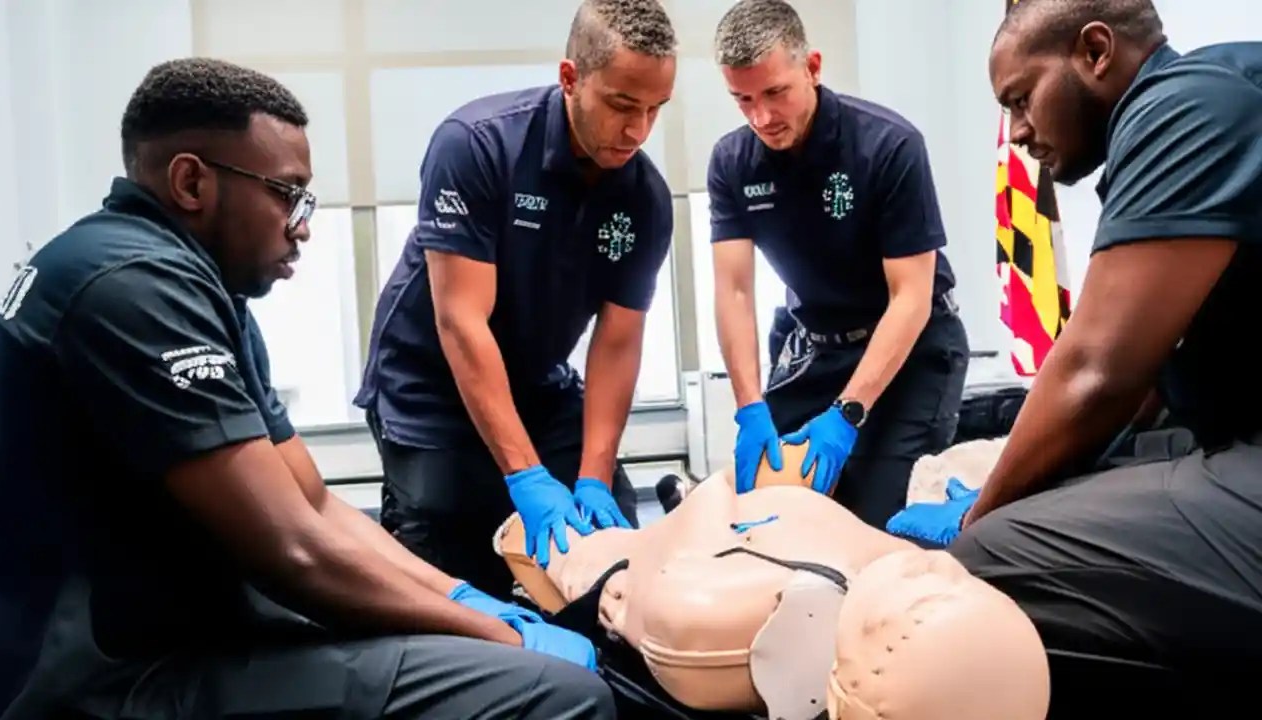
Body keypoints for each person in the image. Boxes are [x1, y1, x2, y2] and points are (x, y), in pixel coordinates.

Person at [0, 57, 615, 720]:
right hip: (115, 680)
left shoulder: (185, 284)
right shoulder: (130, 290)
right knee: (561, 695)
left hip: (180, 627)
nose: (303, 224)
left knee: (470, 646)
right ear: (191, 181)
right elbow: (296, 550)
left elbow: (313, 503)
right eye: (288, 194)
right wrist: (504, 636)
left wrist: (460, 596)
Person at [887, 0, 1262, 712]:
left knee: (984, 568)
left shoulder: (1188, 107)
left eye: (1021, 99)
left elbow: (1097, 373)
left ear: (1095, 52)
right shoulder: (1207, 101)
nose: (1017, 131)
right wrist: (1032, 479)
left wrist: (977, 520)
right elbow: (1149, 373)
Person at [356, 0, 677, 598]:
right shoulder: (476, 146)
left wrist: (594, 475)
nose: (638, 131)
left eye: (656, 109)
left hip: (537, 381)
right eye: (621, 105)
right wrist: (527, 475)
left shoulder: (646, 198)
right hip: (430, 387)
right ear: (570, 78)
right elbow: (461, 321)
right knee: (452, 554)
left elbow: (617, 341)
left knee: (607, 543)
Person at [491, 444, 1051, 720]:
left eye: (932, 582)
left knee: (572, 551)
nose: (939, 569)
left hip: (647, 561)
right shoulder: (903, 573)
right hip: (765, 530)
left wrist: (721, 499)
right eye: (947, 576)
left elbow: (711, 499)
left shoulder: (704, 620)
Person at [705, 0, 971, 529]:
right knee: (766, 510)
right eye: (743, 100)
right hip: (818, 347)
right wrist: (749, 407)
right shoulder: (731, 162)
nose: (761, 117)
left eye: (775, 93)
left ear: (813, 67)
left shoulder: (888, 146)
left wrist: (848, 413)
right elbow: (734, 291)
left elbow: (910, 296)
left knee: (875, 521)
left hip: (912, 345)